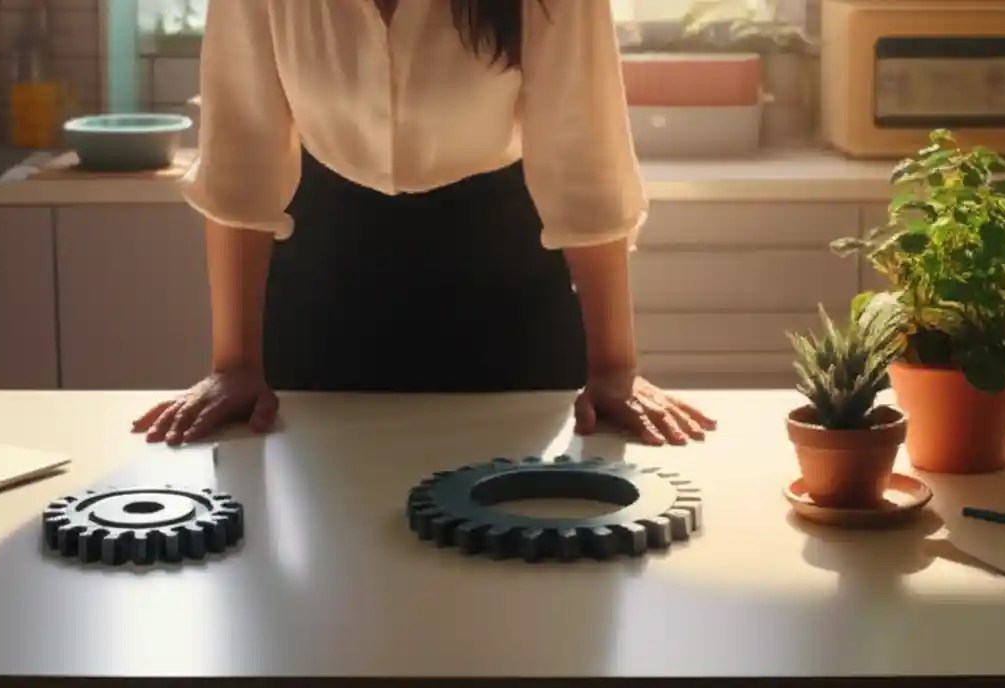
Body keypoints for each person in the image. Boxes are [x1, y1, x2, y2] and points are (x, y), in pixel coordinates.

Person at [132, 0, 716, 448]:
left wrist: (615, 369)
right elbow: (242, 148)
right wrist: (234, 367)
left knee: (518, 556)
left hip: (506, 298)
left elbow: (584, 149)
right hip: (323, 300)